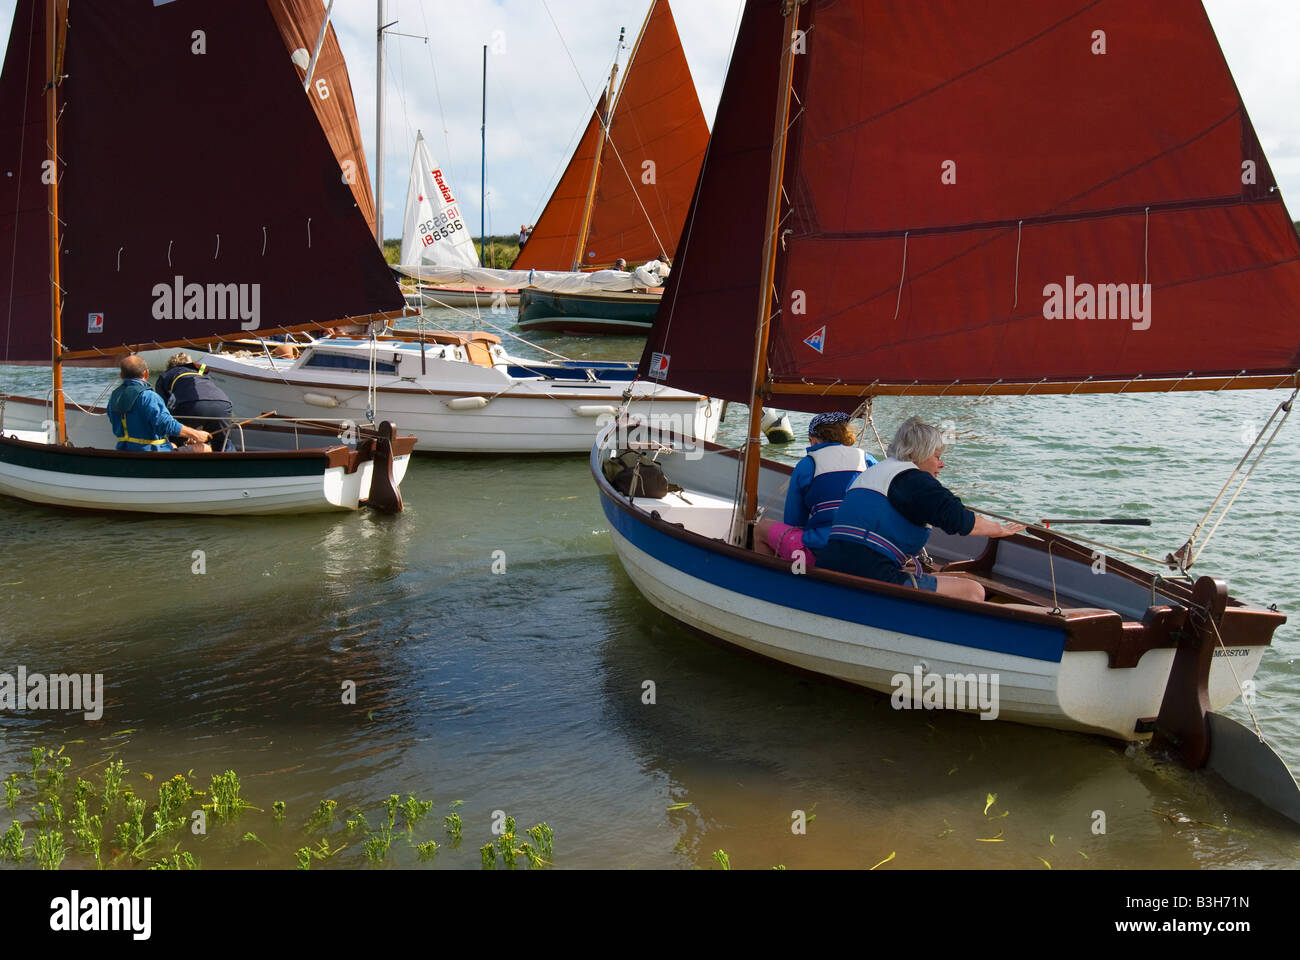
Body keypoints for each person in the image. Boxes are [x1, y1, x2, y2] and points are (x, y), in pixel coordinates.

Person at [818, 416, 1024, 601]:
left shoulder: (874, 472)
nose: (941, 464)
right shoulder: (912, 479)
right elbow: (959, 520)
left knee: (937, 580)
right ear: (919, 454)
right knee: (973, 591)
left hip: (830, 564)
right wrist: (999, 529)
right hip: (870, 575)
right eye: (937, 456)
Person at [756, 412, 874, 568]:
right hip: (866, 550)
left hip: (821, 552)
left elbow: (794, 522)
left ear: (813, 439)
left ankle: (772, 582)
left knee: (761, 529)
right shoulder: (867, 459)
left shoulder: (807, 464)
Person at [107, 354, 210, 452]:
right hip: (152, 452)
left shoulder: (114, 397)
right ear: (146, 373)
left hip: (124, 450)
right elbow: (166, 424)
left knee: (173, 445)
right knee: (205, 448)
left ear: (121, 375)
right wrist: (196, 434)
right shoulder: (149, 396)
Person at [155, 352, 235, 452]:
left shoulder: (166, 375)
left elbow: (162, 407)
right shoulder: (200, 372)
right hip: (223, 404)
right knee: (222, 444)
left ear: (171, 366)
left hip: (191, 405)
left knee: (177, 438)